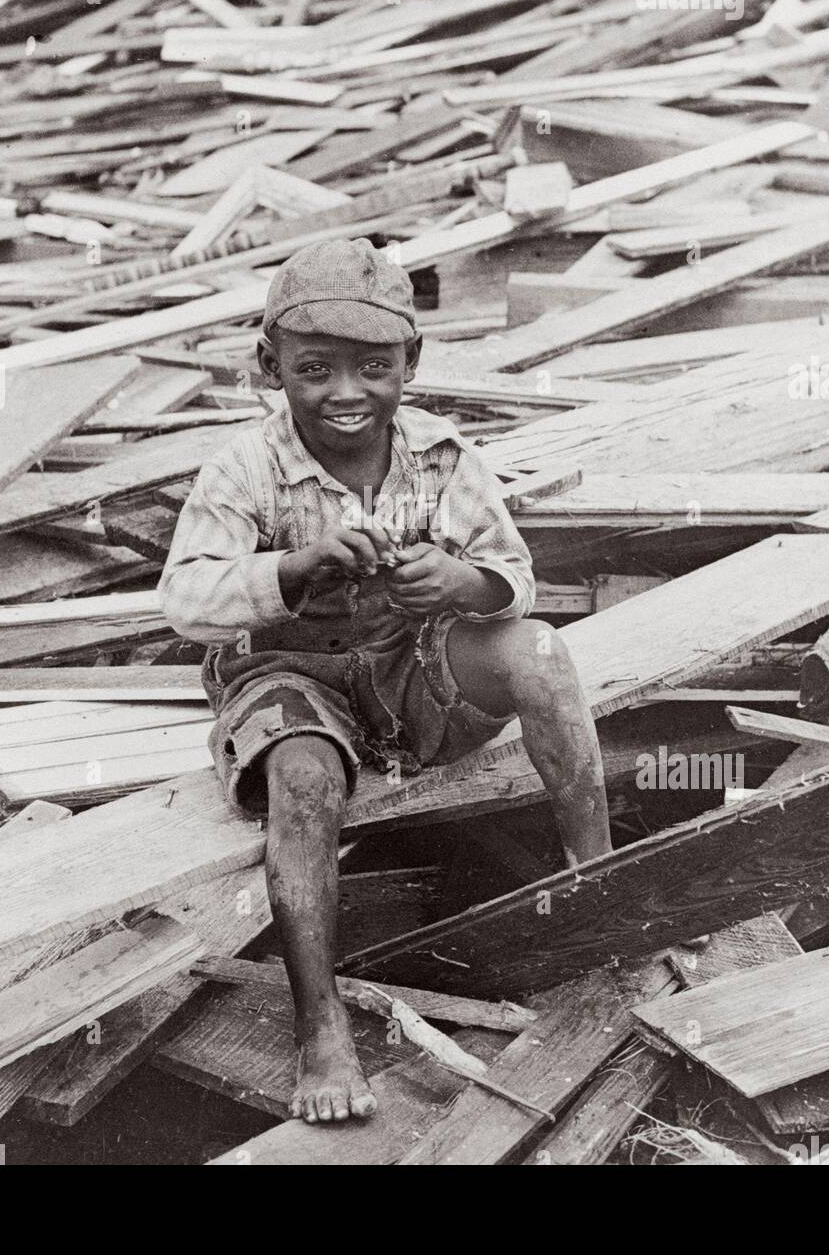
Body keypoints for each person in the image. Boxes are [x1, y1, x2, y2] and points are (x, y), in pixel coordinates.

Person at [158, 238, 611, 1124]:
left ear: (412, 362)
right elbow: (184, 600)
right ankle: (320, 1022)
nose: (345, 394)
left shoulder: (439, 458)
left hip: (410, 673)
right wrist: (295, 569)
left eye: (374, 367)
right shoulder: (245, 469)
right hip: (289, 679)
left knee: (545, 654)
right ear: (269, 365)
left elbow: (511, 572)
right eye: (314, 369)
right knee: (302, 780)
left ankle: (595, 886)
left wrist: (461, 584)